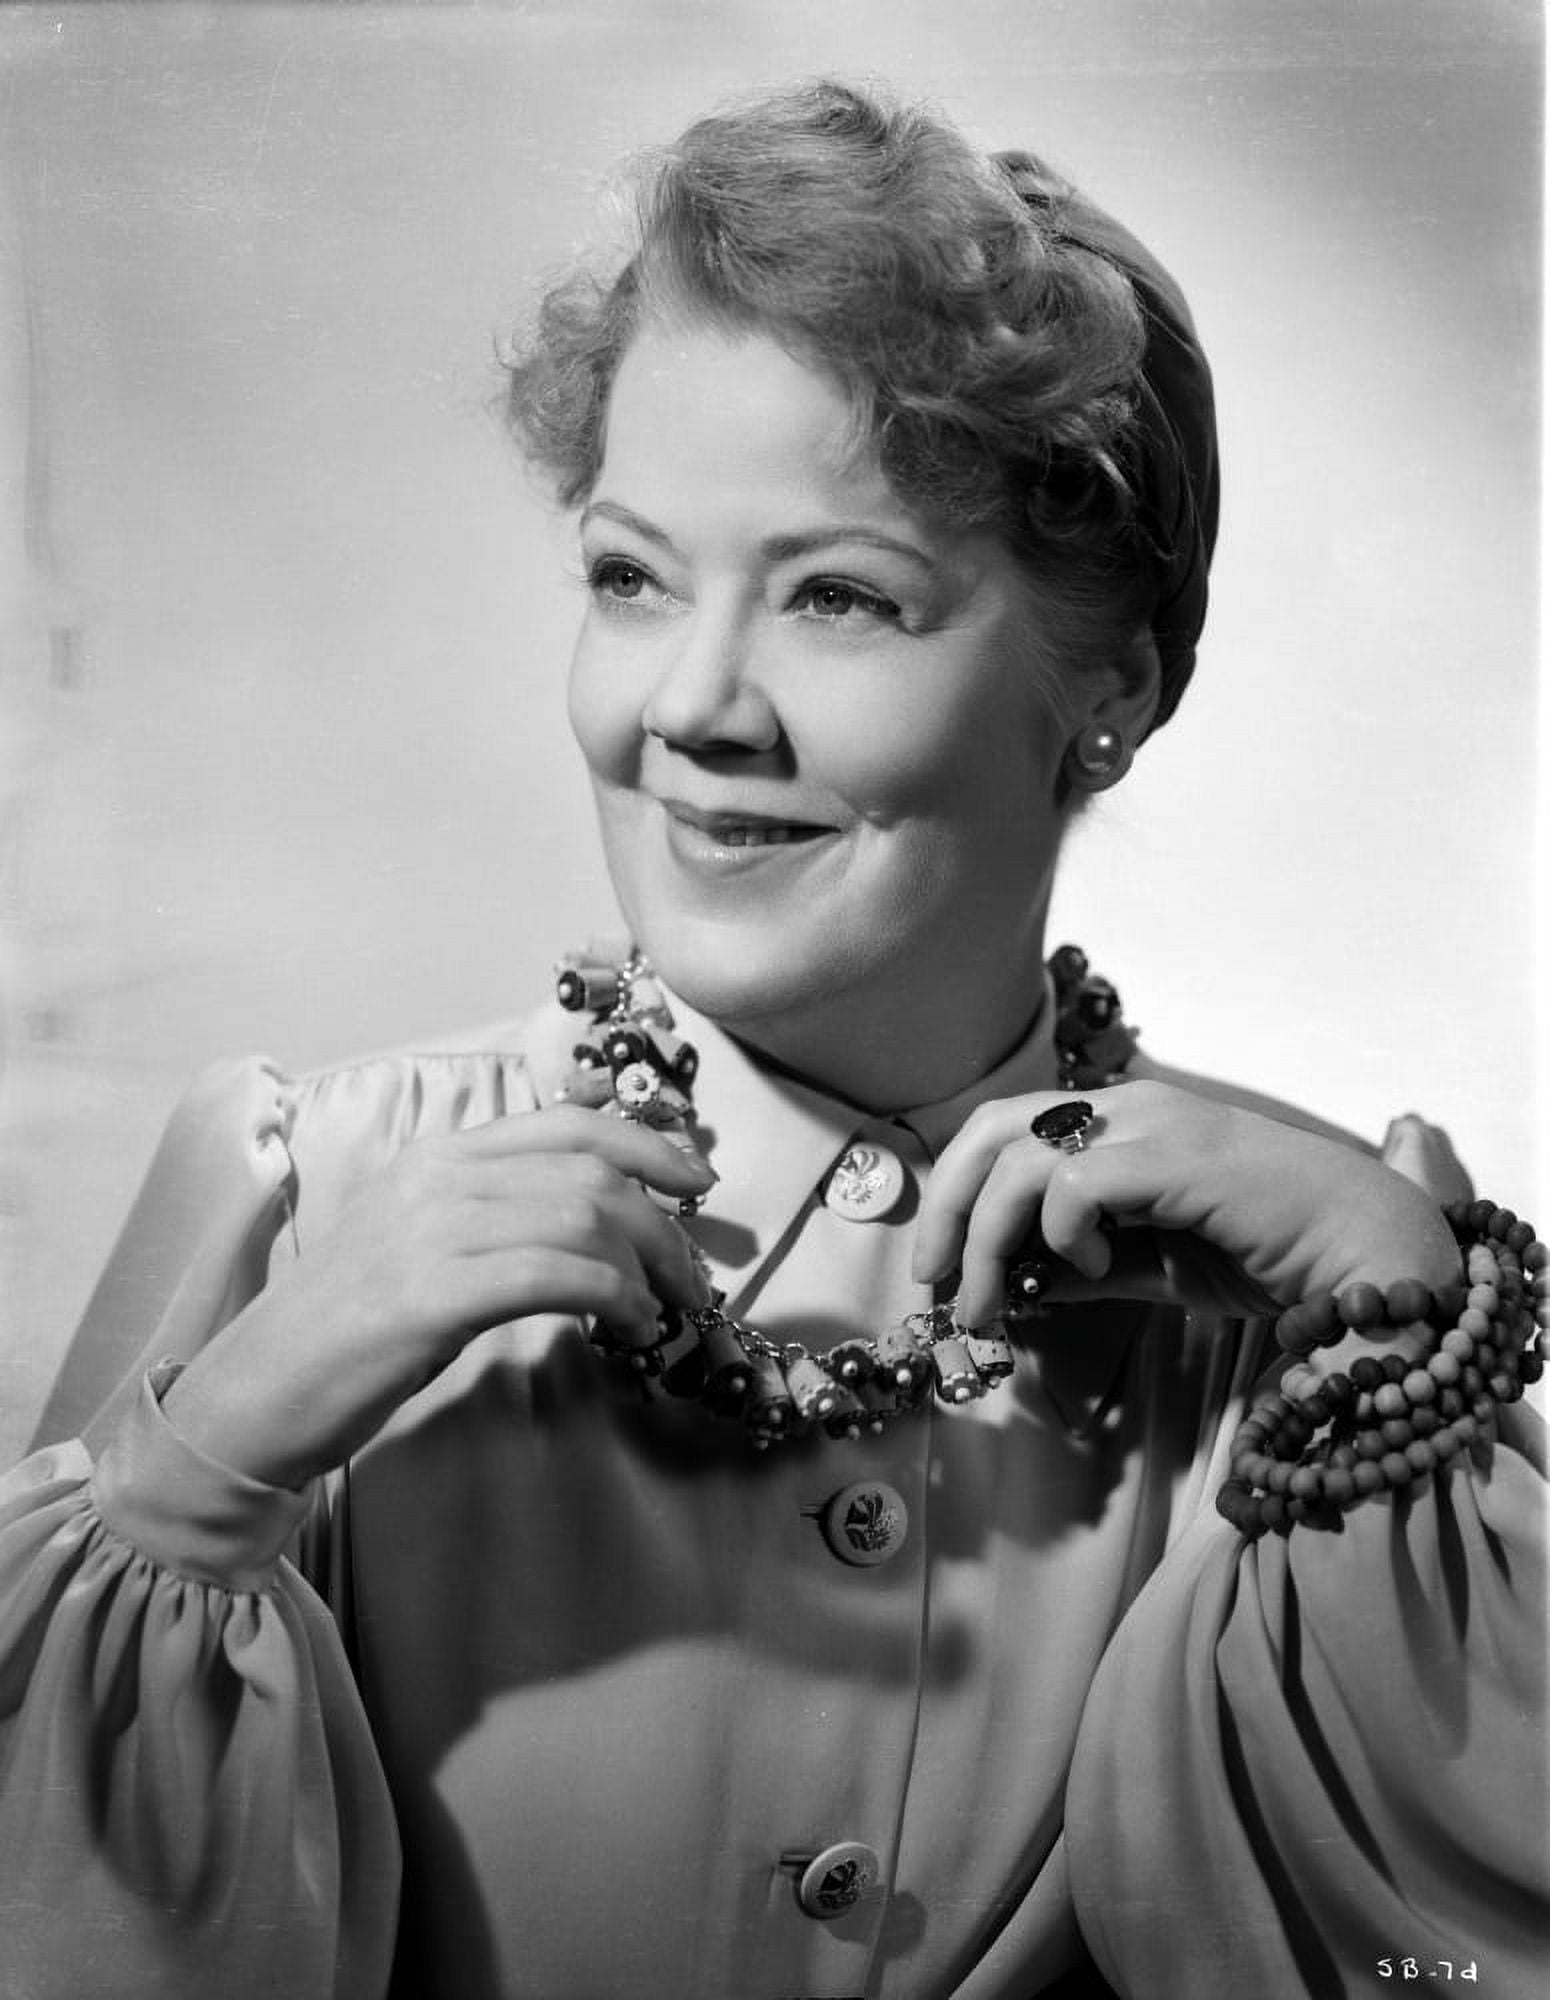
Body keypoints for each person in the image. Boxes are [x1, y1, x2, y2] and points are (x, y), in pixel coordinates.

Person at [0, 78, 1544, 2000]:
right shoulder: (310, 1194)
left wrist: (1407, 1351)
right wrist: (207, 1463)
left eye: (836, 596)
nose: (695, 705)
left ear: (1111, 685)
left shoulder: (1309, 1306)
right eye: (632, 577)